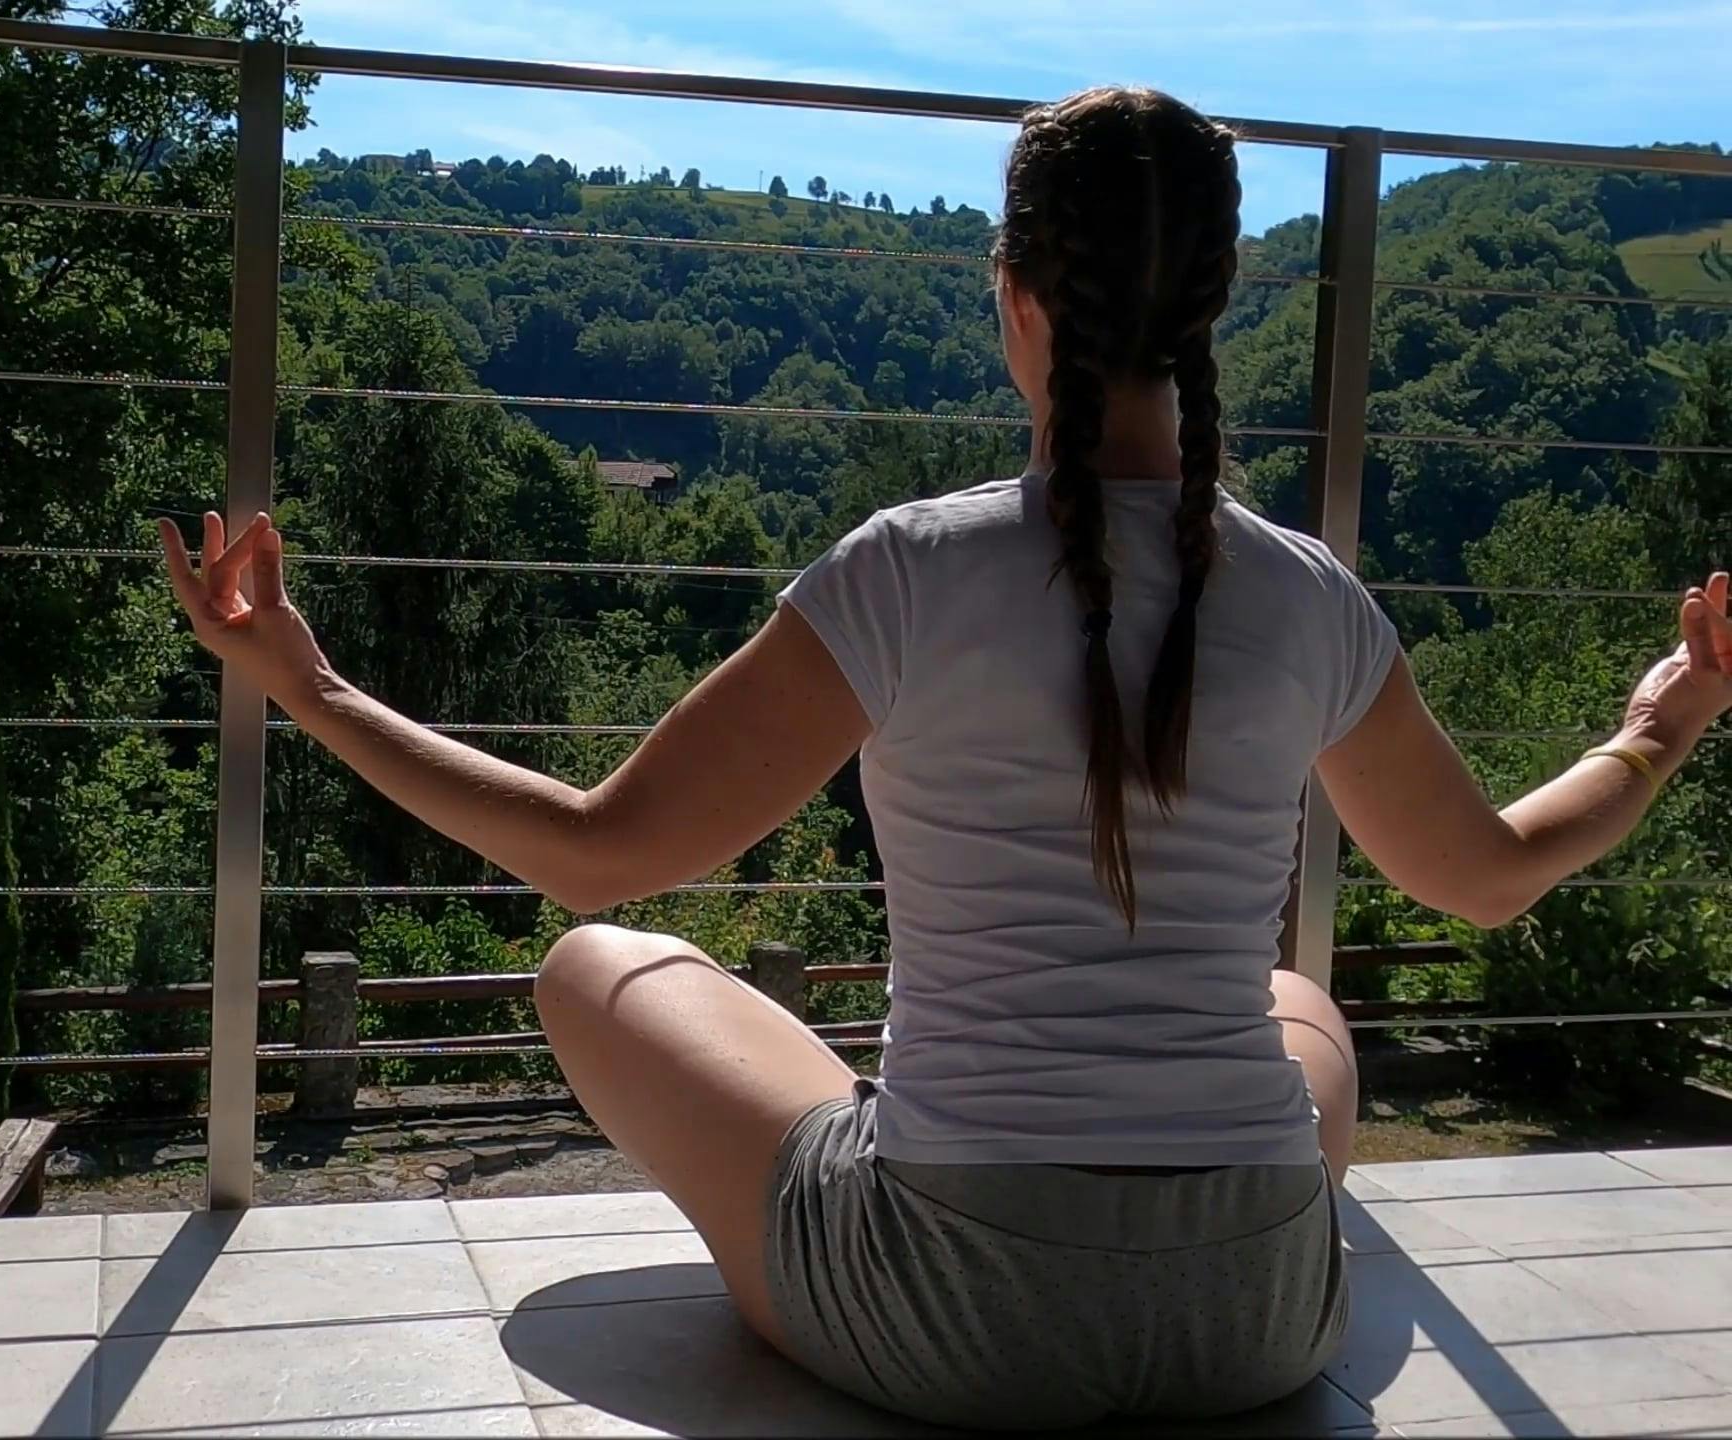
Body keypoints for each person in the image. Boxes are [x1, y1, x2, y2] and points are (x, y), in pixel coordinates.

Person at [158, 85, 1732, 1431]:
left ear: (1017, 298)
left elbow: (595, 845)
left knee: (596, 961)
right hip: (1259, 1314)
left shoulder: (909, 570)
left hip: (953, 1320)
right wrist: (1666, 721)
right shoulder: (1312, 597)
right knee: (1295, 1000)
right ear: (1221, 301)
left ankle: (921, 1128)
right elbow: (1485, 878)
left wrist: (315, 685)